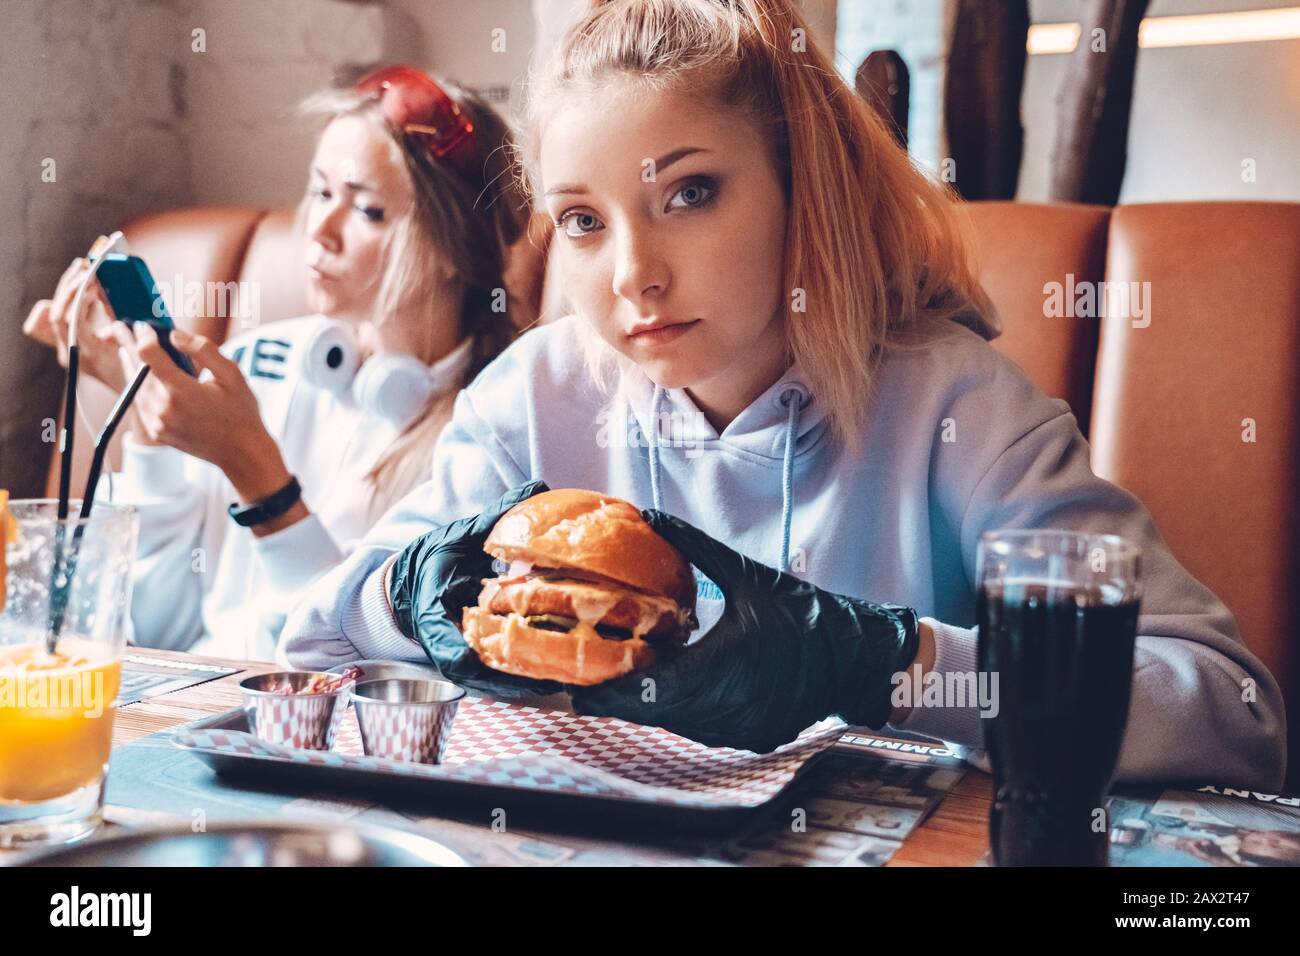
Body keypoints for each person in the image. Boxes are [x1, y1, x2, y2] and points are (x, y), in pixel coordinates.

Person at [279, 1, 1285, 790]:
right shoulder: (533, 394)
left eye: (689, 193)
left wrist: (883, 663)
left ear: (803, 187)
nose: (633, 274)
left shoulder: (956, 407)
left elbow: (1232, 713)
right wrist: (417, 587)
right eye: (582, 220)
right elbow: (316, 637)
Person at [23, 66, 531, 658]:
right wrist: (147, 414)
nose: (320, 230)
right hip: (189, 710)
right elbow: (154, 626)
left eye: (367, 210)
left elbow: (355, 664)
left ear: (454, 247)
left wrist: (258, 474)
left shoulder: (489, 434)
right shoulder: (253, 366)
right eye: (320, 192)